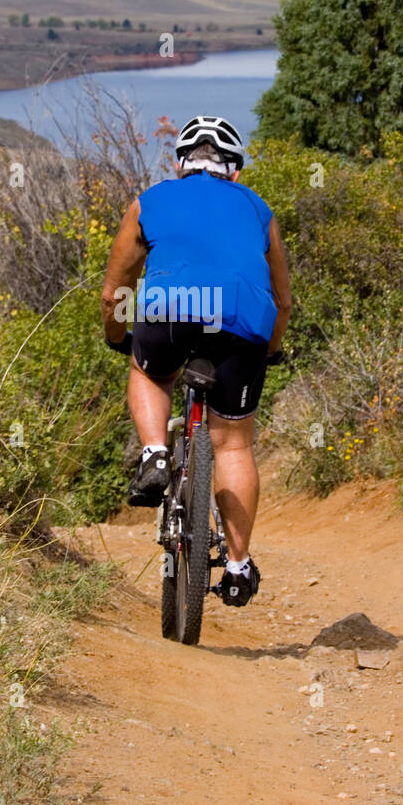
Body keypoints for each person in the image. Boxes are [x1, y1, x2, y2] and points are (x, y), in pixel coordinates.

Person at [101, 115, 292, 607]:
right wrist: (267, 352)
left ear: (181, 163)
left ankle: (154, 454)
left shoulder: (152, 201)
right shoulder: (258, 210)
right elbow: (284, 300)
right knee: (232, 446)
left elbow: (115, 291)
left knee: (149, 370)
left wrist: (117, 336)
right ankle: (236, 566)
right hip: (242, 319)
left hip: (171, 308)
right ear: (234, 171)